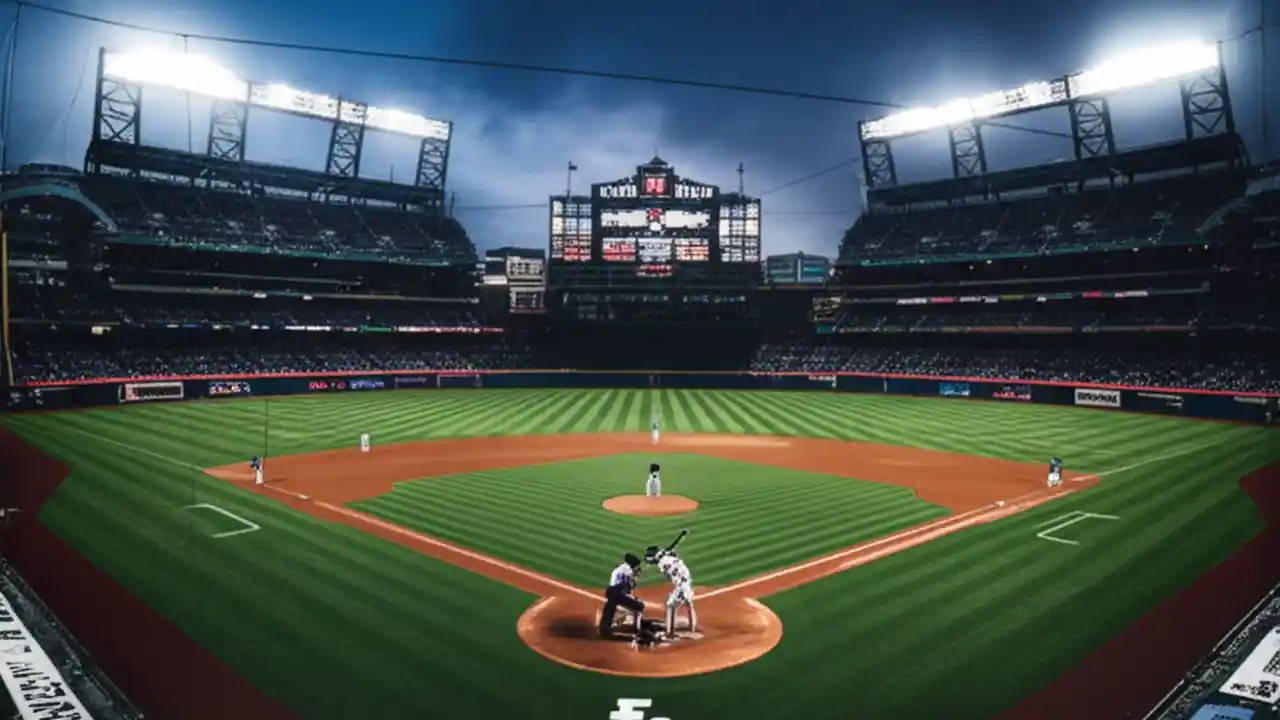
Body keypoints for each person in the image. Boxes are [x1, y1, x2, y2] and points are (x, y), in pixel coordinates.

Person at [647, 545, 696, 636]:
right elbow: (674, 559)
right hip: (687, 581)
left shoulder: (661, 563)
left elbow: (667, 575)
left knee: (670, 606)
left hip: (681, 585)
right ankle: (692, 626)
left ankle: (670, 632)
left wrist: (663, 558)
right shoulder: (670, 557)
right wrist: (669, 555)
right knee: (688, 603)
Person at [599, 553, 645, 640]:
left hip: (610, 592)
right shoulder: (628, 572)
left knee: (610, 607)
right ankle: (637, 629)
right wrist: (634, 578)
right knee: (640, 606)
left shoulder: (620, 568)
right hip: (617, 593)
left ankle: (604, 628)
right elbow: (628, 588)